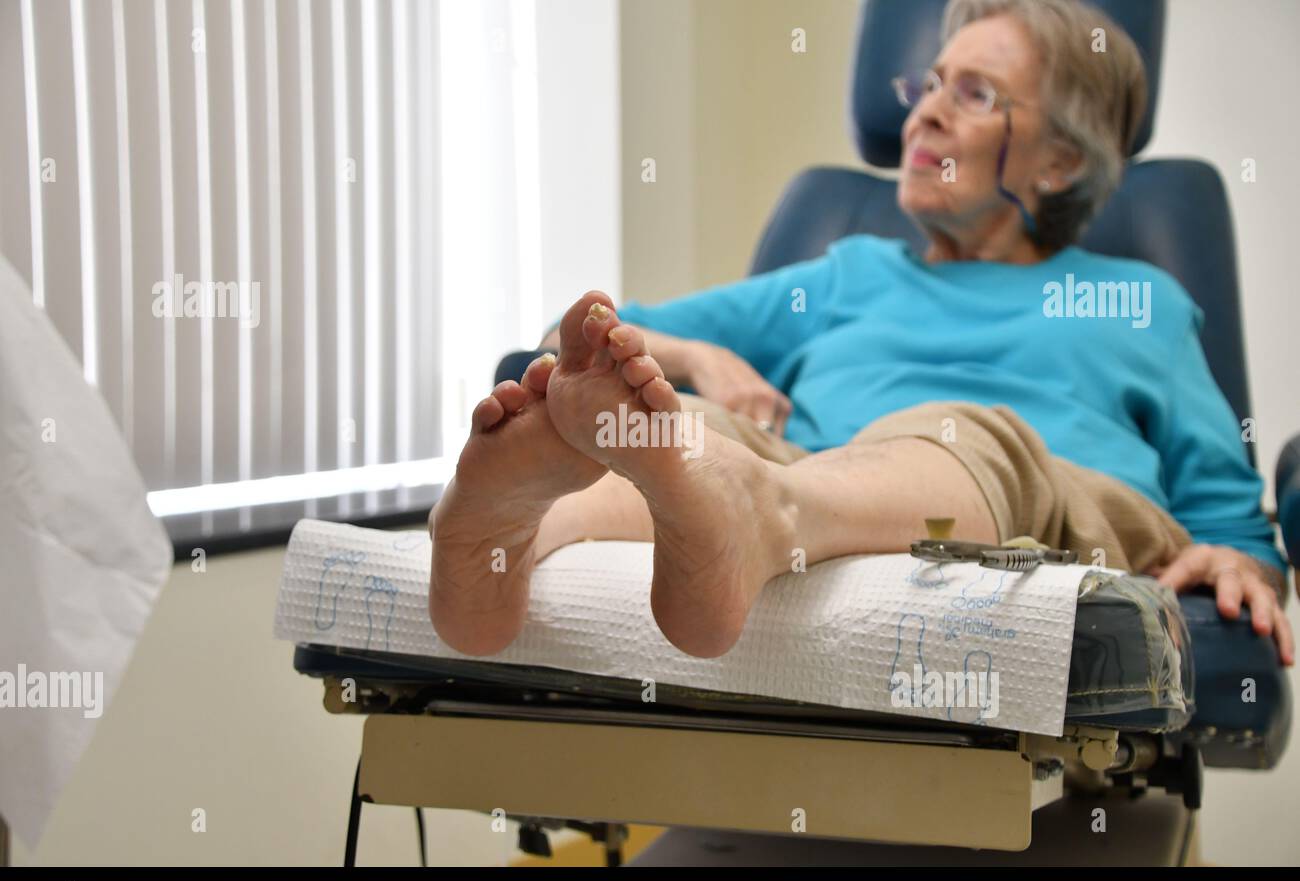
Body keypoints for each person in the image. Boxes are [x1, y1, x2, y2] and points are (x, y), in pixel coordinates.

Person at [429, 0, 1292, 663]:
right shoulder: (850, 271)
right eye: (928, 88)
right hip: (823, 487)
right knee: (700, 437)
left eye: (975, 94)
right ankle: (516, 539)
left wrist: (1244, 569)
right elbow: (569, 343)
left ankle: (759, 513)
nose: (925, 115)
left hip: (1054, 503)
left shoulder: (1140, 299)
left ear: (1060, 161)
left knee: (965, 432)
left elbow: (1239, 532)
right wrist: (705, 361)